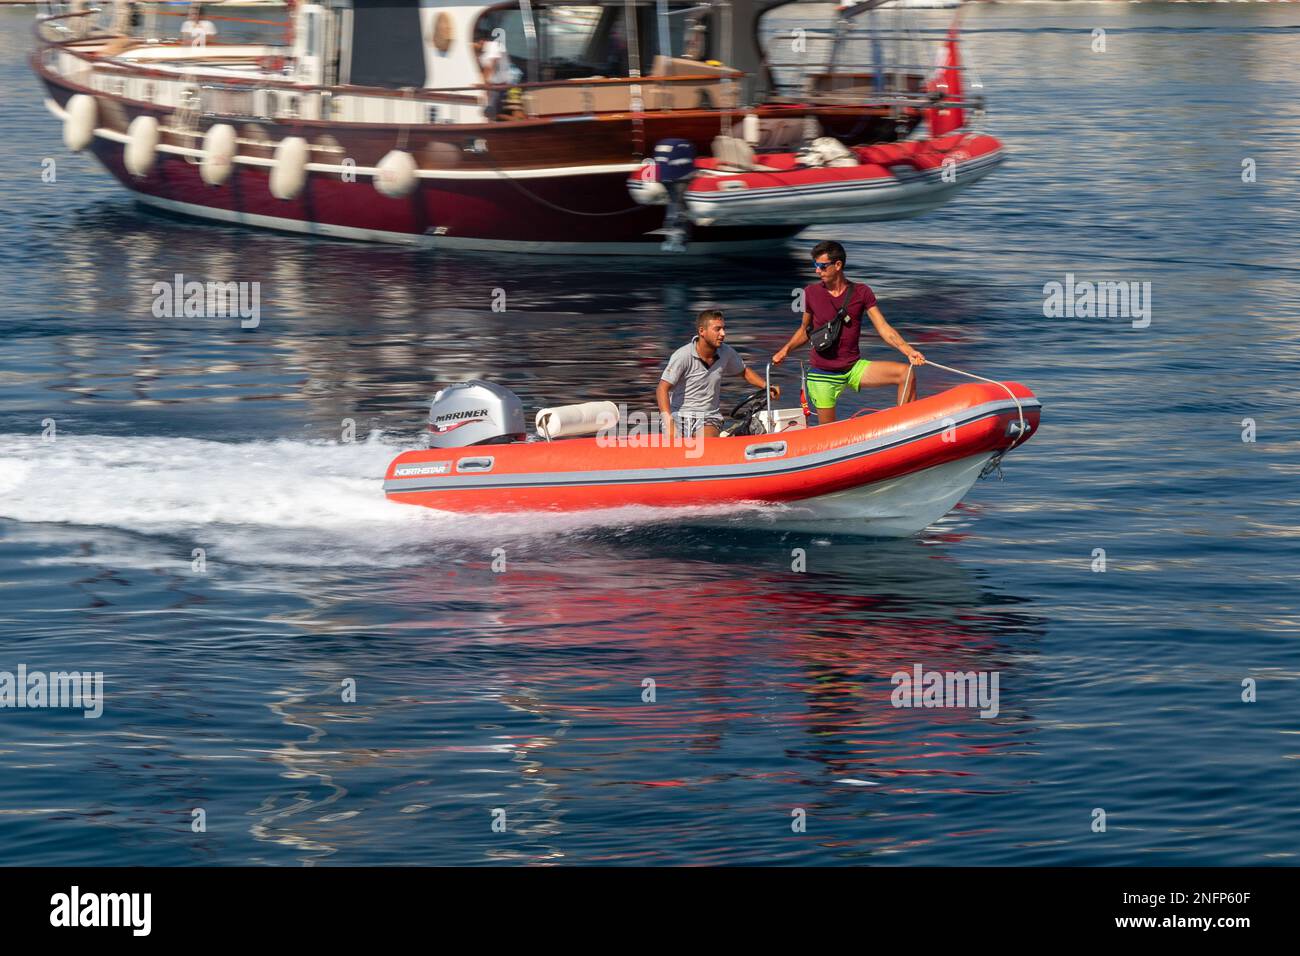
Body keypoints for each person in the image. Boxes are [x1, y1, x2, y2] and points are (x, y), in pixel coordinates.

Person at [772, 240, 924, 424]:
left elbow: (883, 327)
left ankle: (905, 428)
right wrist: (785, 350)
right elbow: (805, 330)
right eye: (815, 266)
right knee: (828, 433)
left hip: (853, 368)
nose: (817, 271)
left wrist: (908, 351)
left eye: (821, 266)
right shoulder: (810, 293)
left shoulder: (861, 292)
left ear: (838, 265)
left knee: (905, 374)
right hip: (822, 374)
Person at [659, 310, 779, 441]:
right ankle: (730, 435)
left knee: (704, 444)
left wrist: (767, 386)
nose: (723, 334)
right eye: (717, 329)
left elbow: (744, 372)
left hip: (709, 417)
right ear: (702, 331)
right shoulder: (682, 355)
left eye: (723, 329)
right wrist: (669, 422)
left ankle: (724, 439)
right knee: (678, 446)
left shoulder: (726, 352)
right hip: (678, 416)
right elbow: (662, 389)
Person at [474, 24, 512, 120]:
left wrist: (484, 85)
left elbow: (491, 65)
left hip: (502, 86)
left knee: (495, 114)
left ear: (481, 41)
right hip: (494, 87)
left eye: (475, 43)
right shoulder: (483, 52)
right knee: (491, 113)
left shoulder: (493, 45)